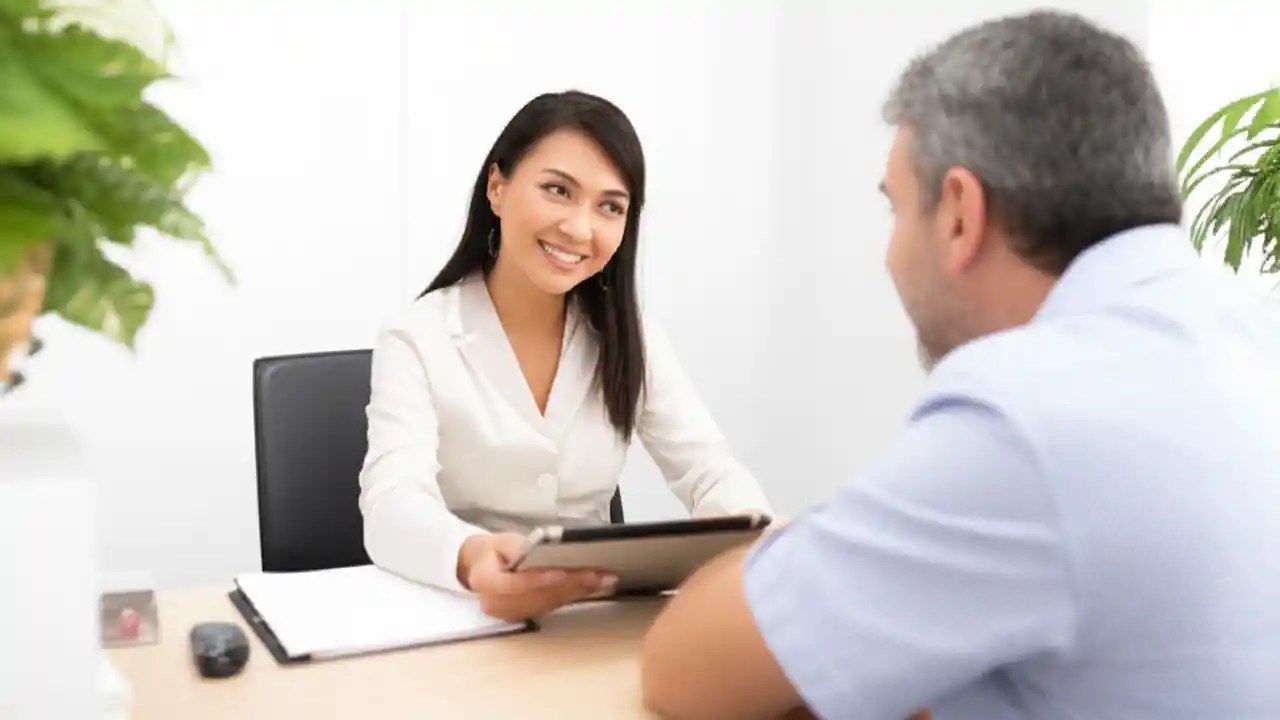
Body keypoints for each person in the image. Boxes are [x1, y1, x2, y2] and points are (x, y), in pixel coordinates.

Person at [641, 10, 1280, 720]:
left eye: (895, 210)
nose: (889, 252)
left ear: (958, 213)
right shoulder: (1244, 336)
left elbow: (686, 672)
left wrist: (825, 539)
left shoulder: (1032, 414)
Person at [359, 90, 770, 622]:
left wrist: (750, 535)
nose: (580, 229)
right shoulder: (416, 336)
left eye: (610, 207)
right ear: (498, 187)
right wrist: (470, 556)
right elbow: (391, 504)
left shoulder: (630, 336)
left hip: (595, 620)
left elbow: (711, 471)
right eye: (558, 190)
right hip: (468, 617)